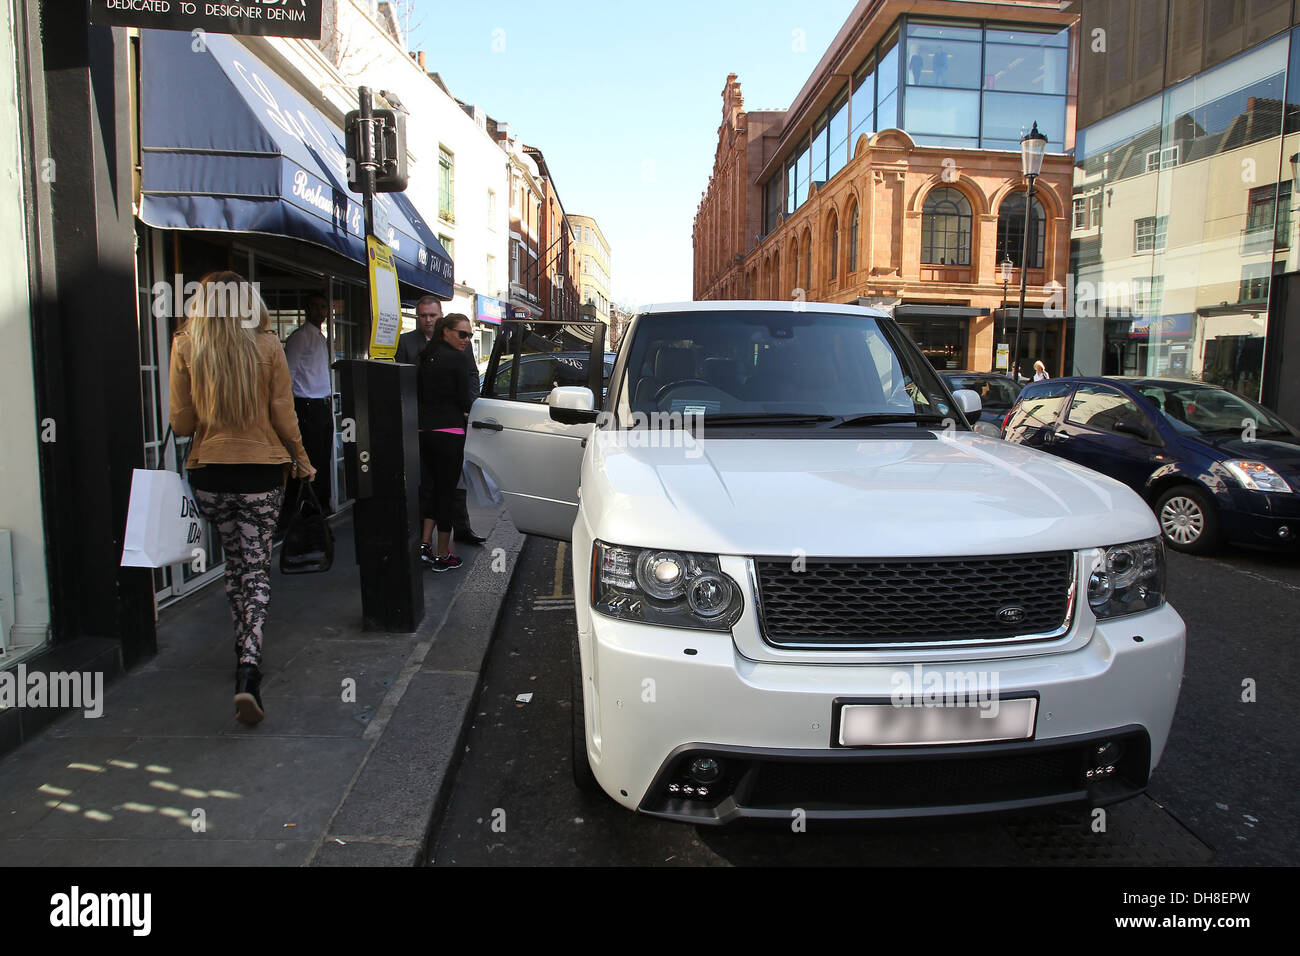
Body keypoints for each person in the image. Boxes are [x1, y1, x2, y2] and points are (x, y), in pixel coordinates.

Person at [169, 271, 315, 725]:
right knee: (254, 567)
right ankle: (248, 667)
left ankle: (241, 640)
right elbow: (284, 415)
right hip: (259, 472)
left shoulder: (185, 346)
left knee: (235, 563)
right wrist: (303, 459)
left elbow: (181, 425)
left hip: (210, 473)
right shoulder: (269, 345)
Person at [398, 296, 487, 544]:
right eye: (423, 315)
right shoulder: (408, 343)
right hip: (430, 425)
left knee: (448, 485)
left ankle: (454, 532)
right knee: (436, 487)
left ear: (441, 317)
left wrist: (472, 407)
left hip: (437, 426)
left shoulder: (456, 348)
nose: (427, 320)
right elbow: (405, 385)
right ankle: (436, 548)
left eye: (432, 315)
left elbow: (470, 377)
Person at [417, 312, 477, 571]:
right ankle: (443, 554)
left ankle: (424, 544)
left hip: (425, 432)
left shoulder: (427, 356)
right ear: (446, 331)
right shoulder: (456, 359)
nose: (466, 340)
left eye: (470, 335)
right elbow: (465, 400)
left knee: (432, 487)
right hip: (449, 432)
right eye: (462, 334)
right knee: (446, 493)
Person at [283, 293, 334, 519]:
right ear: (306, 309)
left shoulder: (319, 337)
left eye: (323, 307)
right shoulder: (300, 337)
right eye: (315, 307)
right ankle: (305, 511)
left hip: (322, 405)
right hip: (306, 406)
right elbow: (288, 375)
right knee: (309, 460)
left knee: (323, 458)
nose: (320, 312)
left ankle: (320, 507)